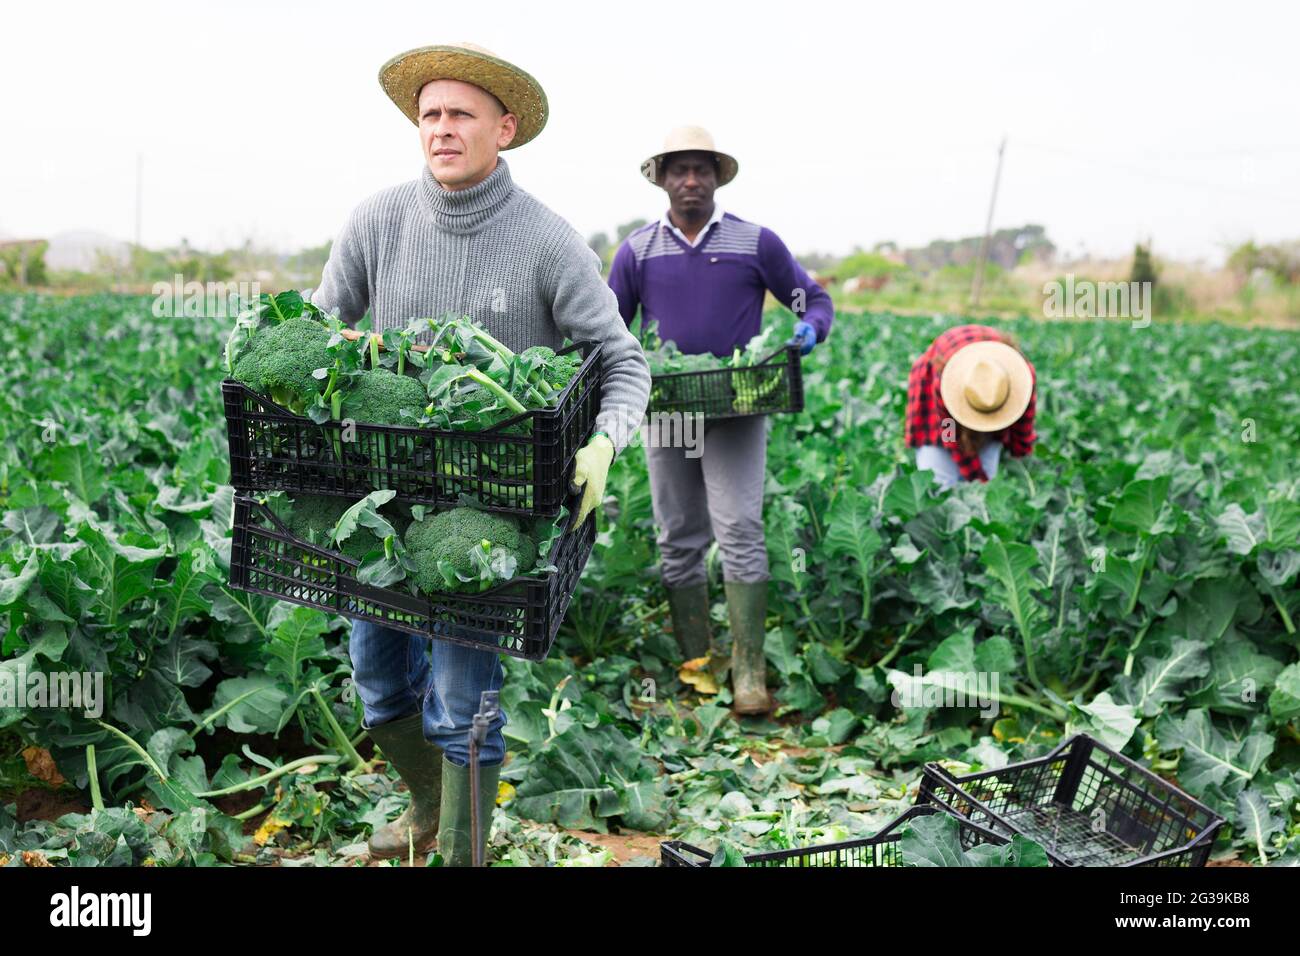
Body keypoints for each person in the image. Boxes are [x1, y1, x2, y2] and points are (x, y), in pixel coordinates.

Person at [310, 42, 651, 864]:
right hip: (380, 502)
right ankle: (429, 809)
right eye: (429, 115)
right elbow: (317, 329)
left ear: (504, 128)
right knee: (380, 683)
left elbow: (623, 358)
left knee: (463, 699)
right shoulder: (376, 221)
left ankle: (465, 850)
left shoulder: (546, 241)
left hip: (489, 507)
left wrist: (607, 440)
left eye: (460, 114)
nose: (441, 129)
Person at [608, 126, 833, 715]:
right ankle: (696, 664)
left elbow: (811, 296)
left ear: (716, 178)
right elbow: (611, 326)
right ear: (660, 179)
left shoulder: (754, 243)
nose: (689, 181)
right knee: (677, 536)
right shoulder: (636, 252)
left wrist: (811, 326)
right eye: (677, 170)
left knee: (739, 529)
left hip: (737, 407)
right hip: (669, 412)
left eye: (700, 170)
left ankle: (750, 674)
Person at [904, 324, 1036, 489]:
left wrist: (1019, 462)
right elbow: (949, 437)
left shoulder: (1022, 377)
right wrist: (977, 479)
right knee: (940, 482)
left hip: (985, 364)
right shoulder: (946, 384)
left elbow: (1023, 429)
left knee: (988, 472)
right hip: (935, 379)